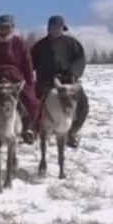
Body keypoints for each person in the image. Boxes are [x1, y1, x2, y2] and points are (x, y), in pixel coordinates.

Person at [30, 15, 88, 147]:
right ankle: (33, 130)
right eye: (55, 27)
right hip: (46, 82)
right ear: (49, 28)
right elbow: (29, 65)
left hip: (69, 81)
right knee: (33, 103)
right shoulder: (40, 46)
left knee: (83, 105)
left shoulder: (72, 44)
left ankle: (72, 133)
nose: (57, 29)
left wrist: (73, 73)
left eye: (60, 27)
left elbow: (80, 60)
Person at [0, 14, 40, 143]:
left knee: (32, 102)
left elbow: (27, 64)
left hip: (15, 77)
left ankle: (27, 129)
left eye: (8, 27)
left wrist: (30, 83)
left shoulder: (20, 43)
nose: (4, 29)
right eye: (2, 27)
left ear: (13, 27)